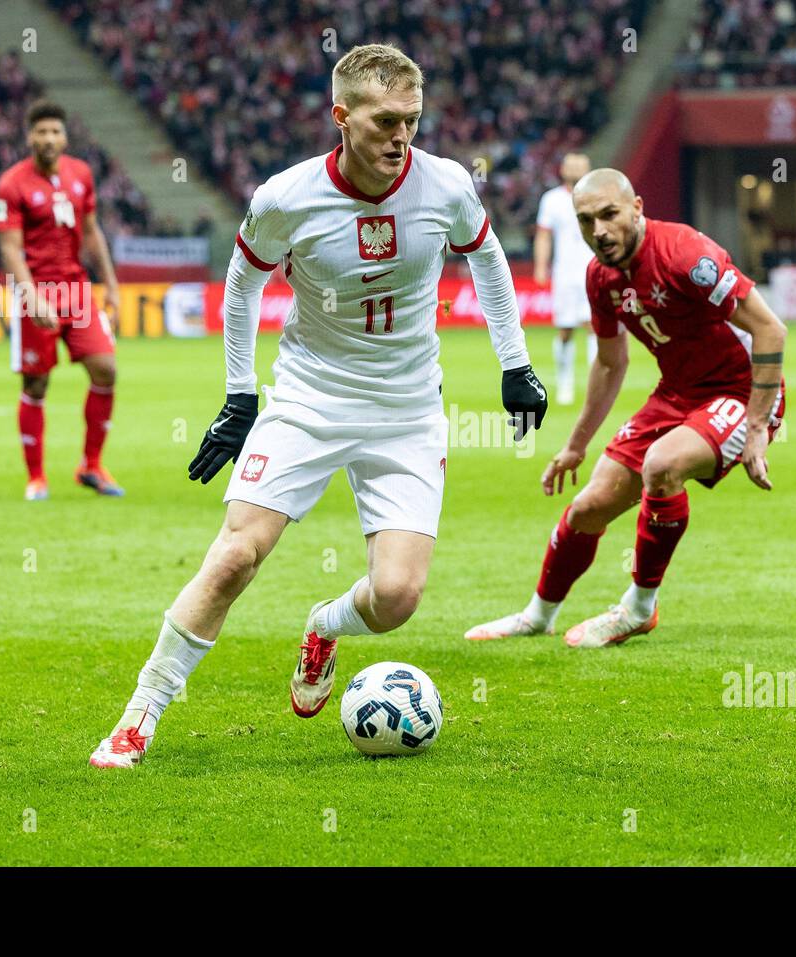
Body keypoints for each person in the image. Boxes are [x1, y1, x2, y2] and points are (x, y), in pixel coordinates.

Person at [90, 44, 548, 768]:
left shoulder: (446, 184)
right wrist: (241, 395)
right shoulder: (287, 197)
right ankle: (140, 714)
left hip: (407, 410)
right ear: (341, 116)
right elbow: (242, 286)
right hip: (308, 397)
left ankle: (324, 625)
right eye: (386, 120)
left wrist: (516, 362)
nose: (402, 137)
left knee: (397, 597)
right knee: (236, 555)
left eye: (413, 121)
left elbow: (486, 256)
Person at [465, 168, 786, 647]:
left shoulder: (686, 255)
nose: (599, 231)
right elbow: (611, 364)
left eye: (610, 215)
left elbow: (770, 329)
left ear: (637, 208)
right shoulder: (600, 278)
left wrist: (758, 424)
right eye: (587, 221)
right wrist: (574, 447)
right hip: (678, 392)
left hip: (741, 393)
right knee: (588, 507)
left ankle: (638, 607)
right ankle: (538, 616)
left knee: (662, 466)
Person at [0, 100, 123, 500]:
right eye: (41, 132)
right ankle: (36, 477)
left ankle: (91, 465)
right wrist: (32, 297)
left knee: (106, 369)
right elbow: (10, 248)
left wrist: (112, 284)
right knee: (36, 383)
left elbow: (91, 231)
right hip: (38, 292)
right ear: (29, 137)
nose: (49, 138)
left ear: (65, 137)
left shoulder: (80, 174)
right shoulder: (12, 184)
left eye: (55, 131)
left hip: (78, 291)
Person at [534, 152, 596, 405]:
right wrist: (540, 265)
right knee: (566, 330)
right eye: (571, 164)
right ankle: (565, 383)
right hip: (565, 274)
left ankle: (595, 386)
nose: (575, 168)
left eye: (580, 164)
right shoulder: (552, 200)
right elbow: (544, 235)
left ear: (589, 168)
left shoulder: (596, 196)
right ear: (563, 170)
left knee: (595, 328)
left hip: (594, 271)